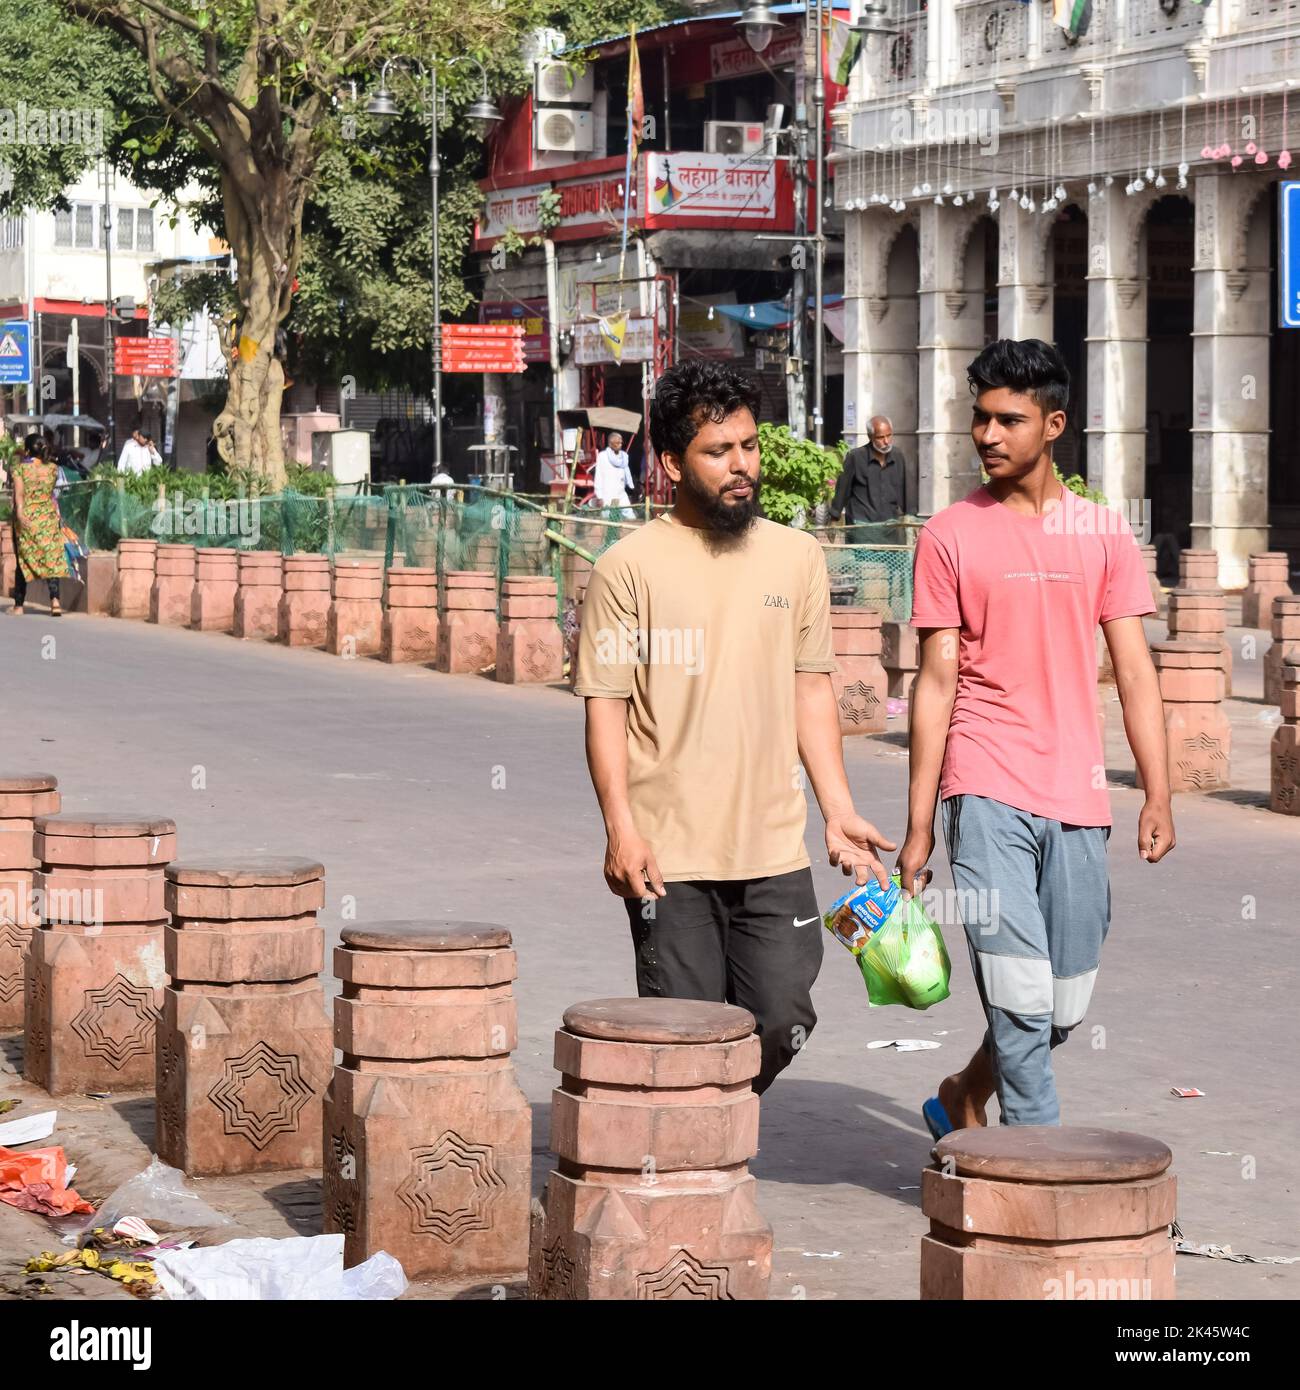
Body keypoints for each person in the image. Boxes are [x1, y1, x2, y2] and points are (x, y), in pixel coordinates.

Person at [574, 359, 896, 1094]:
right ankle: (696, 1166)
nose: (741, 465)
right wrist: (621, 830)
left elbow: (812, 689)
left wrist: (838, 812)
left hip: (773, 849)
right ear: (670, 463)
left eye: (747, 446)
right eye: (718, 452)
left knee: (781, 1017)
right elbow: (607, 707)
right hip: (671, 853)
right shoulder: (628, 568)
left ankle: (712, 1131)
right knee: (681, 1040)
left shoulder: (796, 557)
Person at [896, 339, 1175, 1137]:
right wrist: (920, 827)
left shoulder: (1103, 533)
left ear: (1053, 425)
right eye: (979, 418)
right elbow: (938, 680)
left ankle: (960, 1096)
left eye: (1008, 420)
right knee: (1018, 991)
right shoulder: (949, 534)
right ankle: (1037, 1173)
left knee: (1061, 1003)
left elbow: (1134, 669)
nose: (987, 435)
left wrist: (1158, 791)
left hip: (1079, 795)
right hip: (982, 785)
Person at [8, 435, 70, 617]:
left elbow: (19, 495)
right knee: (51, 558)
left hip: (27, 518)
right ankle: (55, 601)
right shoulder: (52, 469)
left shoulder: (20, 469)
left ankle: (19, 606)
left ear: (27, 451)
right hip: (48, 518)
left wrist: (19, 513)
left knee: (23, 559)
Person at [830, 415, 906, 542]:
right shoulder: (855, 457)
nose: (886, 441)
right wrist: (834, 518)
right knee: (862, 562)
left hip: (890, 529)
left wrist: (909, 515)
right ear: (871, 437)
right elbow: (843, 490)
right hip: (861, 529)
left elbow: (905, 489)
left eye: (889, 435)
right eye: (881, 437)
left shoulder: (897, 456)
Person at [592, 430, 636, 518]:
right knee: (607, 520)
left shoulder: (624, 457)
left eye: (621, 442)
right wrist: (599, 496)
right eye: (617, 442)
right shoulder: (602, 456)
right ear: (610, 443)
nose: (620, 444)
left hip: (621, 493)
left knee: (631, 518)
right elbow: (598, 477)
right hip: (607, 495)